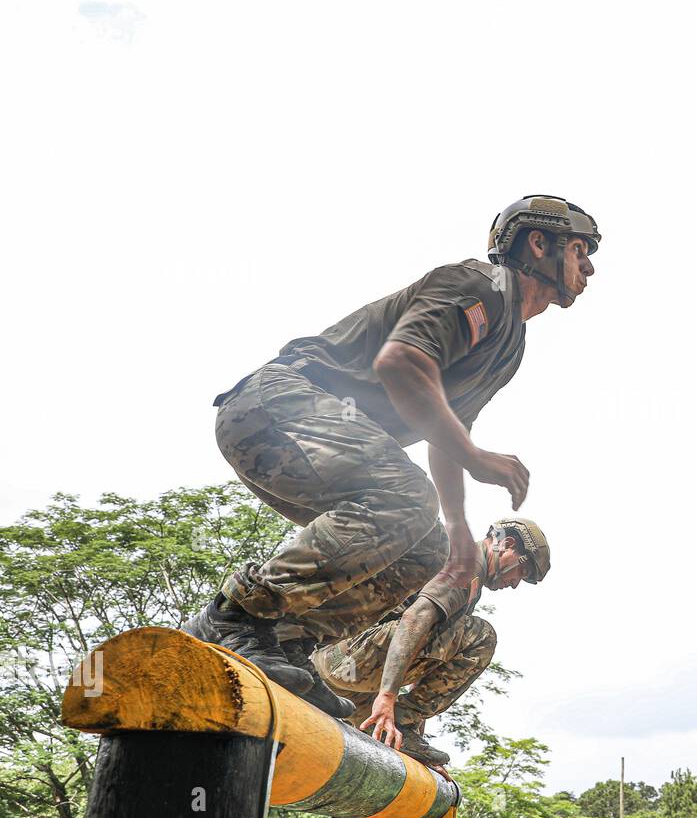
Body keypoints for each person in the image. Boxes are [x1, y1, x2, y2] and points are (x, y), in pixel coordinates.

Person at [181, 197, 597, 716]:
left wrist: (461, 529)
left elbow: (446, 431)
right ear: (539, 244)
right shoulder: (478, 287)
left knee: (427, 552)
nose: (589, 267)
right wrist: (477, 457)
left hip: (321, 445)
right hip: (275, 408)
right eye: (580, 250)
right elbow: (402, 364)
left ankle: (284, 640)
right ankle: (235, 614)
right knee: (405, 495)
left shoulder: (511, 345)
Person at [314, 516, 551, 766]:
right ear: (507, 544)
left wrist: (414, 739)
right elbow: (414, 619)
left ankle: (401, 727)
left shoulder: (470, 575)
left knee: (389, 758)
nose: (515, 584)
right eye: (521, 572)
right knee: (482, 636)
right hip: (346, 659)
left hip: (344, 675)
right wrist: (387, 697)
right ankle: (399, 717)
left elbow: (427, 660)